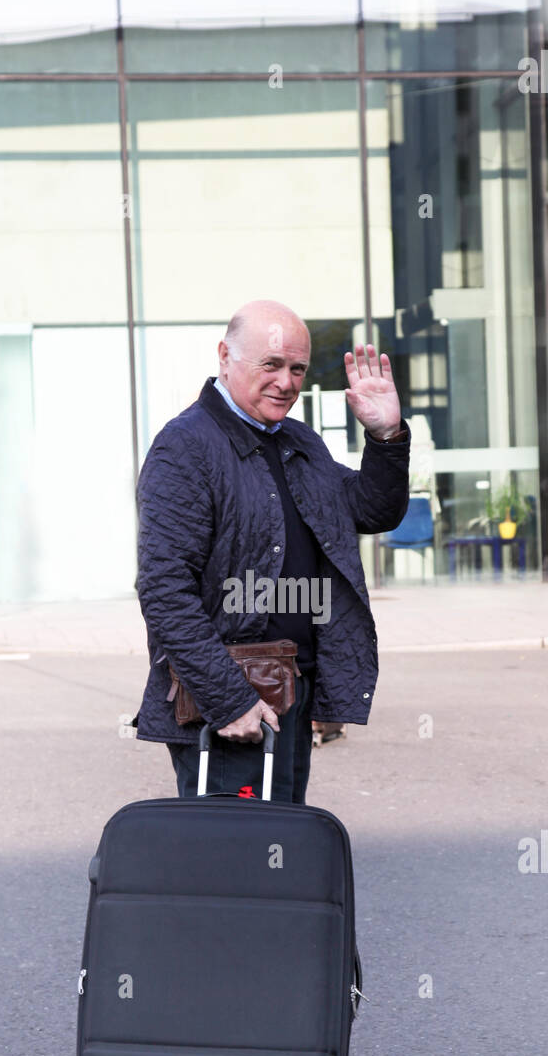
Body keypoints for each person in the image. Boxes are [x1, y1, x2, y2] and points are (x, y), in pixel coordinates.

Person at [131, 298, 410, 803]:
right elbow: (163, 590)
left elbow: (370, 510)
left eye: (297, 368)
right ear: (225, 356)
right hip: (232, 703)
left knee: (278, 862)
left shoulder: (298, 441)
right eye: (271, 365)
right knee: (233, 868)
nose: (287, 382)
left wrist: (385, 435)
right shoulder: (185, 447)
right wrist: (229, 699)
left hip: (290, 692)